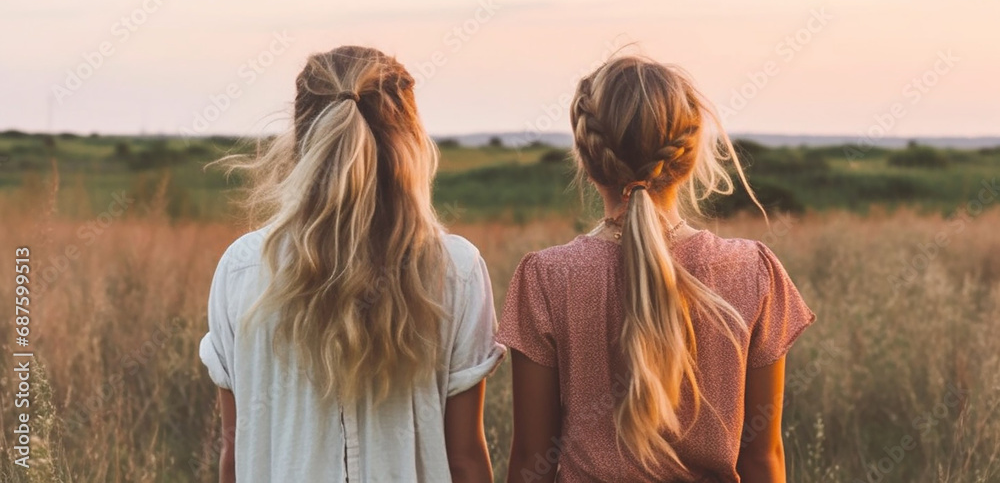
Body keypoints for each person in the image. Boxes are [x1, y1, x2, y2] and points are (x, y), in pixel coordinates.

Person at [498, 55, 815, 482]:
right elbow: (763, 460)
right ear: (690, 155)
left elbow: (531, 465)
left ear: (586, 157)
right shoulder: (752, 271)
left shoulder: (547, 278)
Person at [199, 46, 505, 482]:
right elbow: (465, 460)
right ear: (411, 141)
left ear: (301, 140)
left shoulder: (242, 269)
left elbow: (235, 452)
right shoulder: (456, 270)